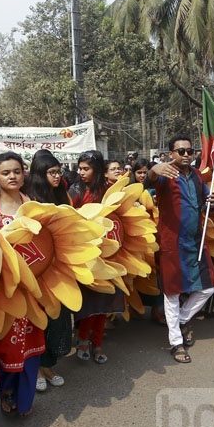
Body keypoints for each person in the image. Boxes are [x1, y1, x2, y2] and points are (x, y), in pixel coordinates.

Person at [145, 136, 214, 363]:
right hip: (172, 243)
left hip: (196, 241)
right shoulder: (165, 174)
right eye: (181, 151)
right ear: (171, 154)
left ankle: (180, 320)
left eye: (190, 151)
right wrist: (154, 169)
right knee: (172, 293)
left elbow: (208, 202)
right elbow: (149, 182)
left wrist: (213, 203)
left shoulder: (198, 176)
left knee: (208, 287)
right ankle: (176, 342)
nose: (186, 154)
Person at [0, 152, 46, 412]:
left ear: (24, 174)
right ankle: (6, 391)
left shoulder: (34, 206)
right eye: (6, 172)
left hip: (33, 287)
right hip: (2, 292)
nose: (12, 176)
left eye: (17, 171)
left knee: (31, 344)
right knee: (6, 345)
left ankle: (24, 398)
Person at [69, 150, 122, 364]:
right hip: (84, 254)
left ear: (97, 169)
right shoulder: (75, 190)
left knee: (104, 302)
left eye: (86, 168)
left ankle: (98, 342)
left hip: (108, 253)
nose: (81, 172)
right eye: (80, 168)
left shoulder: (109, 191)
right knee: (90, 302)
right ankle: (83, 339)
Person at [26, 150, 73, 388]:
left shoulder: (62, 195)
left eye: (58, 171)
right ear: (39, 174)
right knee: (36, 319)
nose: (57, 176)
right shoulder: (29, 199)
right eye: (52, 172)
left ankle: (48, 365)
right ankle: (35, 370)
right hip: (35, 269)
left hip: (59, 268)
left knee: (58, 319)